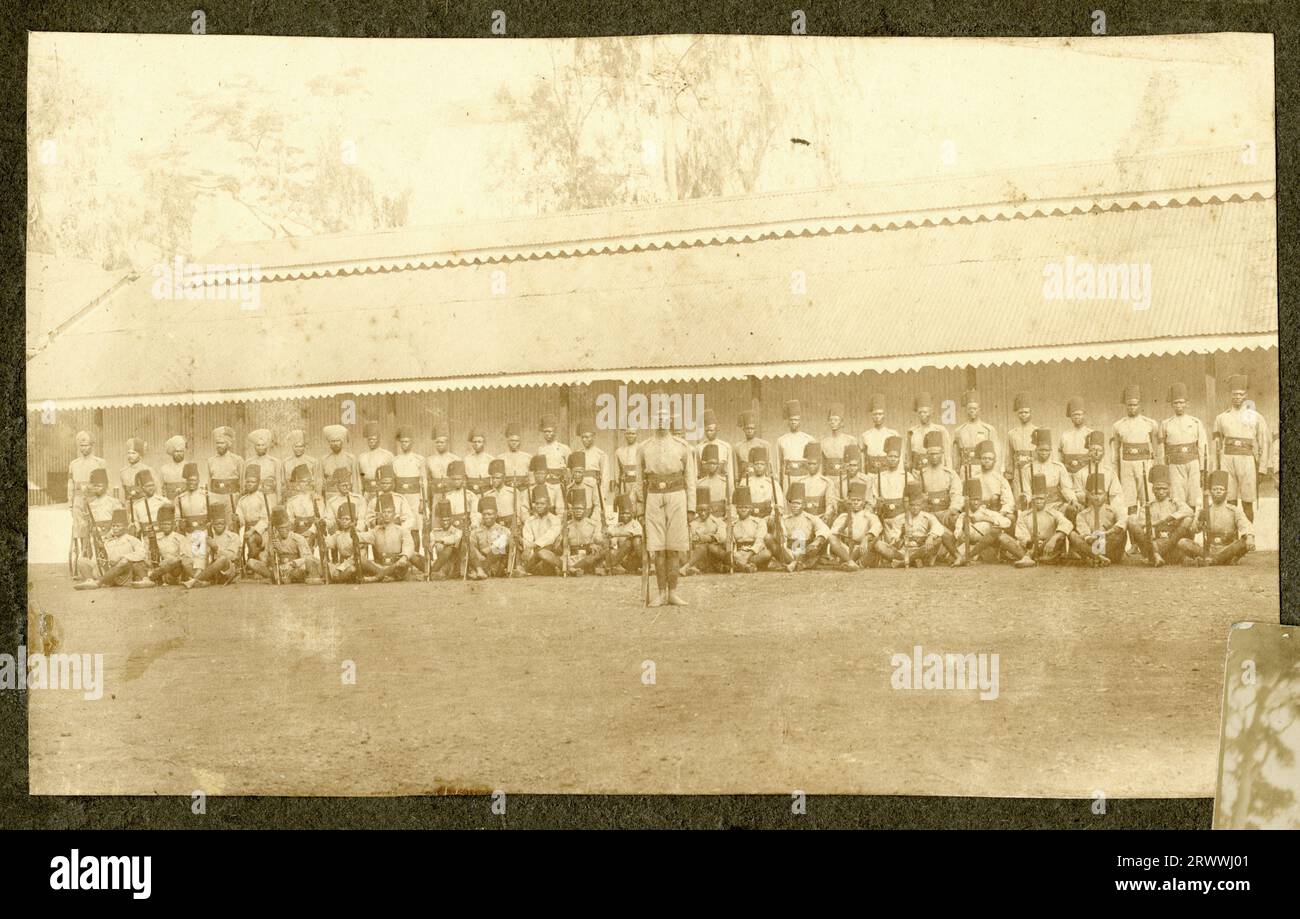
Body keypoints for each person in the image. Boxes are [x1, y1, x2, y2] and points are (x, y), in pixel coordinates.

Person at [638, 400, 697, 606]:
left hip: (677, 497)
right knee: (657, 548)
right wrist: (639, 508)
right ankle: (661, 593)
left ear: (670, 420)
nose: (661, 422)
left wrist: (691, 507)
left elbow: (690, 479)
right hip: (653, 498)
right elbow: (639, 480)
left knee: (674, 548)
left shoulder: (683, 447)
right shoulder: (644, 448)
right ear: (652, 421)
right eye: (657, 418)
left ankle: (672, 592)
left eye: (665, 418)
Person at [1212, 374, 1269, 522]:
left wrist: (1262, 468)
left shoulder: (1255, 417)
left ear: (1246, 395)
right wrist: (1216, 467)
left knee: (1247, 502)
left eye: (1241, 394)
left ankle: (1247, 538)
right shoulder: (1221, 418)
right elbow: (1216, 445)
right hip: (1227, 460)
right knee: (1230, 501)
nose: (1237, 397)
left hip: (1247, 461)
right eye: (1234, 394)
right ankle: (1232, 539)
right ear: (1230, 395)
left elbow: (1264, 442)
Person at [1177, 470, 1253, 566]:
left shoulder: (1234, 510)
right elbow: (1194, 530)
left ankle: (1212, 561)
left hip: (1227, 548)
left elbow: (1245, 524)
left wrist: (1249, 536)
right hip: (1208, 549)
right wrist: (1198, 517)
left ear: (1226, 492)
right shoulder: (1206, 510)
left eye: (1221, 489)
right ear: (1211, 492)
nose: (1218, 492)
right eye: (1215, 489)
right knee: (1182, 542)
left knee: (1243, 543)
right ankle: (1220, 560)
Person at [1127, 464, 1194, 567]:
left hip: (1172, 543)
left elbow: (1189, 511)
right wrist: (1153, 524)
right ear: (1153, 490)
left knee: (1188, 520)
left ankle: (1156, 556)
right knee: (1131, 520)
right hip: (1154, 542)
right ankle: (1155, 554)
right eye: (1158, 489)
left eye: (1164, 488)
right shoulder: (1148, 506)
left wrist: (1168, 518)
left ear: (1169, 489)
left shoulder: (1175, 503)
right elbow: (1140, 523)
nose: (1161, 492)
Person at [950, 480, 1023, 567]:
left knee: (998, 533)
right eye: (973, 500)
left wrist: (985, 519)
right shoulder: (962, 516)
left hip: (987, 548)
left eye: (977, 499)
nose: (976, 502)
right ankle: (967, 557)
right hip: (969, 547)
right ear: (967, 500)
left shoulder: (987, 513)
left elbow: (1007, 523)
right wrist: (963, 530)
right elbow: (957, 535)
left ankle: (967, 558)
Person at [1112, 384, 1159, 516]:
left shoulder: (1150, 424)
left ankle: (1147, 532)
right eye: (1129, 405)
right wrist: (1116, 470)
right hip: (1126, 466)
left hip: (1144, 464)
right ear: (1125, 406)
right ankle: (1133, 533)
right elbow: (1115, 451)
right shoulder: (1118, 425)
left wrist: (1154, 467)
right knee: (1130, 502)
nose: (1132, 408)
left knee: (1147, 500)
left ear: (1140, 405)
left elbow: (1155, 451)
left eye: (1135, 404)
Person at [74, 508, 151, 589]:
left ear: (125, 527)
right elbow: (96, 561)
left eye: (118, 526)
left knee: (124, 562)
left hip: (124, 573)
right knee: (81, 561)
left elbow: (142, 553)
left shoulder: (132, 539)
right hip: (108, 572)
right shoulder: (107, 542)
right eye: (113, 526)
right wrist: (100, 550)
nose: (115, 528)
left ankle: (98, 583)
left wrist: (122, 557)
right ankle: (89, 581)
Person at [1159, 382, 1207, 508]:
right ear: (1171, 405)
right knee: (1177, 497)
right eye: (1176, 403)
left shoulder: (1196, 422)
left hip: (1193, 463)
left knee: (1194, 495)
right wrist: (1163, 469)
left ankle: (1193, 525)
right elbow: (1161, 449)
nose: (1179, 406)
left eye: (1181, 402)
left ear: (1186, 403)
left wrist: (1203, 470)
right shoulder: (1166, 424)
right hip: (1174, 464)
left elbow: (1202, 446)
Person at [767, 481, 830, 572]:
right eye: (792, 503)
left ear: (804, 504)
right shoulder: (784, 519)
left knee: (818, 543)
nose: (795, 506)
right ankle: (797, 563)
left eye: (798, 503)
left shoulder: (811, 518)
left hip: (806, 550)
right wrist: (777, 521)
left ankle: (795, 563)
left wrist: (816, 541)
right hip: (789, 551)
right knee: (769, 538)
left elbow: (824, 530)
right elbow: (782, 540)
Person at [1068, 474, 1127, 566]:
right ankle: (1098, 557)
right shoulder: (1082, 515)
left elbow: (1123, 521)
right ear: (1088, 495)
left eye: (1100, 494)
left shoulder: (1113, 511)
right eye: (1093, 494)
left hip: (1110, 548)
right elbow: (1084, 533)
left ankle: (1094, 557)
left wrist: (1106, 533)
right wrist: (1091, 538)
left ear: (1105, 495)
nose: (1096, 497)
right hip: (1092, 545)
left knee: (1121, 533)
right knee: (1072, 535)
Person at [1013, 474, 1072, 567]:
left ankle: (1030, 558)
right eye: (1036, 498)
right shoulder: (1024, 515)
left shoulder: (1053, 513)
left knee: (1058, 540)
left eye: (1041, 498)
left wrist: (1054, 539)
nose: (1038, 501)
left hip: (1049, 547)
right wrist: (1030, 542)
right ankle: (1029, 557)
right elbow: (1021, 535)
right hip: (1030, 546)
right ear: (1032, 499)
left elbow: (1067, 524)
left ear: (1046, 498)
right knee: (1005, 539)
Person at [67, 430, 108, 558]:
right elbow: (70, 484)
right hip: (78, 500)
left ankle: (100, 554)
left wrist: (104, 499)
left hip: (95, 498)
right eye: (82, 446)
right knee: (80, 528)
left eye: (87, 445)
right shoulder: (74, 464)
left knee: (97, 526)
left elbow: (105, 482)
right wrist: (70, 502)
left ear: (92, 445)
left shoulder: (99, 462)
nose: (84, 448)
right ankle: (84, 553)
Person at [182, 507, 241, 588]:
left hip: (226, 571)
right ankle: (202, 580)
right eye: (217, 523)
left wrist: (216, 548)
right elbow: (199, 556)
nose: (219, 525)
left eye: (222, 523)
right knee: (186, 560)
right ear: (212, 524)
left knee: (222, 559)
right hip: (209, 569)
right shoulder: (206, 535)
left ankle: (194, 580)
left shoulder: (233, 536)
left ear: (225, 524)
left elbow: (232, 556)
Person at [828, 481, 880, 570]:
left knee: (875, 540)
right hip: (846, 550)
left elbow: (877, 527)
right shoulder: (843, 516)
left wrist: (865, 539)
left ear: (863, 502)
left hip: (862, 548)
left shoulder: (869, 516)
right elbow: (834, 533)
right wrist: (844, 526)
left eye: (858, 500)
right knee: (831, 537)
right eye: (853, 500)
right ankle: (850, 562)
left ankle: (850, 562)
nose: (855, 503)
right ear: (849, 501)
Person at [365, 493, 416, 582]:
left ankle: (377, 577)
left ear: (394, 514)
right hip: (380, 565)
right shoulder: (375, 531)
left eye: (389, 512)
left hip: (397, 564)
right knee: (363, 561)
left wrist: (404, 556)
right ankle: (387, 576)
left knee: (403, 564)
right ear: (380, 514)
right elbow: (362, 537)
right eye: (384, 512)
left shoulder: (401, 530)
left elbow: (409, 544)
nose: (386, 515)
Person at [916, 431, 962, 530]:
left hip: (946, 513)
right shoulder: (921, 475)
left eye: (937, 453)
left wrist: (951, 510)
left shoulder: (950, 474)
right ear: (927, 454)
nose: (934, 456)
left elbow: (957, 495)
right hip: (927, 514)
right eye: (931, 454)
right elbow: (916, 498)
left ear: (942, 453)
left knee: (957, 520)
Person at [682, 487, 727, 575]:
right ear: (696, 510)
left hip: (713, 554)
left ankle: (686, 567)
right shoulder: (692, 523)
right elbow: (686, 539)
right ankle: (691, 567)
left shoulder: (718, 522)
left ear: (710, 509)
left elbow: (723, 537)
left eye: (705, 510)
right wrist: (694, 539)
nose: (702, 513)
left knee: (706, 546)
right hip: (696, 554)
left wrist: (707, 538)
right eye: (700, 510)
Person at [467, 495, 513, 579]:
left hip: (497, 566)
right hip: (480, 562)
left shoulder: (504, 530)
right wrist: (478, 554)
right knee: (467, 543)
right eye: (484, 514)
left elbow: (506, 544)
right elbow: (472, 547)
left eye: (490, 514)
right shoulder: (476, 532)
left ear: (496, 515)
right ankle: (480, 571)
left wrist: (489, 549)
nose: (487, 517)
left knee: (502, 543)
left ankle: (479, 571)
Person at [560, 488, 603, 576]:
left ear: (585, 510)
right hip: (572, 556)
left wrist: (595, 544)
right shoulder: (567, 525)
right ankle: (574, 569)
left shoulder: (593, 524)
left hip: (588, 556)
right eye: (575, 508)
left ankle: (572, 570)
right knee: (561, 560)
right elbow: (563, 545)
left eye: (581, 508)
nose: (578, 511)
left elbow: (598, 539)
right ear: (572, 510)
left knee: (593, 558)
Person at [520, 486, 562, 576]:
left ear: (548, 504)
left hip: (550, 550)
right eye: (537, 503)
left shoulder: (555, 519)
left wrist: (533, 545)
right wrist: (528, 549)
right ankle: (531, 568)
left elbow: (550, 537)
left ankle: (526, 569)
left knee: (543, 554)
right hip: (533, 551)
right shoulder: (529, 520)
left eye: (542, 504)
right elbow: (527, 537)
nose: (539, 506)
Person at [728, 486, 771, 572]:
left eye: (746, 507)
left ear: (751, 509)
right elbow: (731, 543)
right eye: (740, 507)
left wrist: (748, 555)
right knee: (728, 555)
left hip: (754, 553)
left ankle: (740, 566)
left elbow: (760, 541)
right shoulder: (732, 524)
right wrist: (736, 554)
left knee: (767, 554)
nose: (743, 510)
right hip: (739, 554)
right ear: (736, 509)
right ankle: (747, 567)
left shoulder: (759, 522)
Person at [146, 505, 192, 585]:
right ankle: (153, 577)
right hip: (161, 571)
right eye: (163, 524)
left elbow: (186, 556)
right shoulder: (155, 538)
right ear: (159, 525)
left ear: (173, 525)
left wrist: (170, 561)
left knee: (174, 561)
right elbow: (148, 556)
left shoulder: (180, 538)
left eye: (168, 524)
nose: (165, 526)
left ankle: (150, 578)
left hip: (176, 571)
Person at [953, 390, 998, 471]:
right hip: (965, 469)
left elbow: (996, 453)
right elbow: (956, 455)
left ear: (979, 409)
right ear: (966, 410)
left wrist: (994, 471)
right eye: (969, 408)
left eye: (975, 408)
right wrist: (956, 470)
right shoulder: (959, 431)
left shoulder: (988, 429)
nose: (972, 411)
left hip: (982, 469)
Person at [905, 392, 950, 473]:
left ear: (931, 412)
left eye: (925, 412)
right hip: (917, 471)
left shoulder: (940, 430)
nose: (922, 415)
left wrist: (948, 472)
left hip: (935, 470)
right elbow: (908, 456)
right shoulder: (912, 431)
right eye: (920, 412)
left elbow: (947, 456)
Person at [1006, 393, 1037, 509]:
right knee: (1020, 503)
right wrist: (1009, 475)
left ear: (1031, 413)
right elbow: (1009, 456)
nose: (1023, 415)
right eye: (1020, 413)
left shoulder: (1037, 431)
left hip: (1034, 471)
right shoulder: (1012, 433)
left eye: (1026, 412)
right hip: (1018, 473)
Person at [207, 426, 244, 518]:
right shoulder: (210, 461)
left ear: (228, 444)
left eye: (222, 443)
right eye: (217, 443)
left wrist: (238, 498)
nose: (219, 445)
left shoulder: (237, 460)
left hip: (232, 498)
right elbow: (209, 483)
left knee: (232, 524)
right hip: (215, 497)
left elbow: (242, 482)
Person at [605, 495, 644, 574]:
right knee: (609, 549)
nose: (624, 515)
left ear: (631, 513)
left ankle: (642, 566)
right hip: (622, 558)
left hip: (635, 558)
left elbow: (631, 534)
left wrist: (614, 534)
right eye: (622, 513)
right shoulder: (618, 526)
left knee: (631, 541)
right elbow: (613, 541)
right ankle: (614, 567)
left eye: (627, 513)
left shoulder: (635, 524)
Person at [427, 499, 466, 580]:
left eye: (448, 520)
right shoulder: (434, 532)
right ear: (440, 520)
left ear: (451, 519)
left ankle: (430, 573)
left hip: (452, 566)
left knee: (449, 548)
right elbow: (431, 548)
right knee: (415, 556)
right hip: (438, 563)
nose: (445, 523)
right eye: (443, 520)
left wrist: (438, 540)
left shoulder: (457, 531)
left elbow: (455, 539)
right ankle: (434, 572)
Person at [860, 393, 898, 475]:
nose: (877, 417)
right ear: (872, 416)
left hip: (887, 472)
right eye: (875, 414)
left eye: (880, 414)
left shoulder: (892, 434)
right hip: (871, 473)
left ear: (884, 415)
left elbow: (898, 457)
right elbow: (863, 458)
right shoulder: (866, 435)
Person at [357, 421, 394, 498]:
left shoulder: (387, 455)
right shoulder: (362, 457)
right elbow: (360, 476)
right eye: (369, 439)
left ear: (378, 439)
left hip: (382, 491)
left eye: (374, 439)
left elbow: (392, 476)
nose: (371, 441)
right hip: (367, 492)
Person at [734, 410, 771, 484]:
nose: (750, 431)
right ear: (743, 429)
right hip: (745, 479)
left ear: (755, 429)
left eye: (752, 428)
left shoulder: (764, 445)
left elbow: (768, 465)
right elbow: (737, 468)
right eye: (747, 428)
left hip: (760, 479)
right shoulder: (738, 447)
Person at [321, 424, 357, 499]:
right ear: (329, 443)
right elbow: (321, 483)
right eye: (332, 441)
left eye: (337, 441)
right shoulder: (324, 460)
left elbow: (355, 482)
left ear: (342, 442)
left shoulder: (351, 459)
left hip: (347, 496)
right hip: (330, 496)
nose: (335, 444)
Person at [247, 429, 283, 502]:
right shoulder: (248, 462)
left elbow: (279, 483)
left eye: (263, 445)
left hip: (270, 497)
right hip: (252, 498)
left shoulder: (275, 462)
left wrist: (279, 500)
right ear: (254, 446)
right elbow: (243, 484)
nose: (260, 447)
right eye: (258, 445)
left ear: (267, 446)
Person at [615, 427, 643, 516]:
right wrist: (618, 486)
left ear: (637, 435)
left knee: (639, 508)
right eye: (628, 433)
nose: (630, 436)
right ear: (625, 435)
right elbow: (617, 471)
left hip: (638, 483)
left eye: (633, 433)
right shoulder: (619, 451)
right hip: (625, 484)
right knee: (626, 508)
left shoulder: (642, 448)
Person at [282, 430, 319, 497]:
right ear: (292, 447)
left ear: (304, 447)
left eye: (301, 446)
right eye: (296, 446)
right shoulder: (286, 462)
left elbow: (316, 482)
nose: (298, 449)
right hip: (291, 495)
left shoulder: (312, 461)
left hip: (307, 495)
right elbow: (284, 482)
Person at [463, 428, 495, 496]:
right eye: (474, 442)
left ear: (484, 443)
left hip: (487, 492)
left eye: (479, 442)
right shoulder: (466, 459)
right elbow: (465, 478)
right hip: (470, 493)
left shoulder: (490, 459)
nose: (476, 444)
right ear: (472, 443)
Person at [158, 435, 189, 500]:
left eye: (181, 451)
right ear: (172, 453)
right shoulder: (164, 469)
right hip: (169, 502)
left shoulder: (189, 467)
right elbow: (160, 488)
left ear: (184, 452)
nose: (179, 454)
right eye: (176, 451)